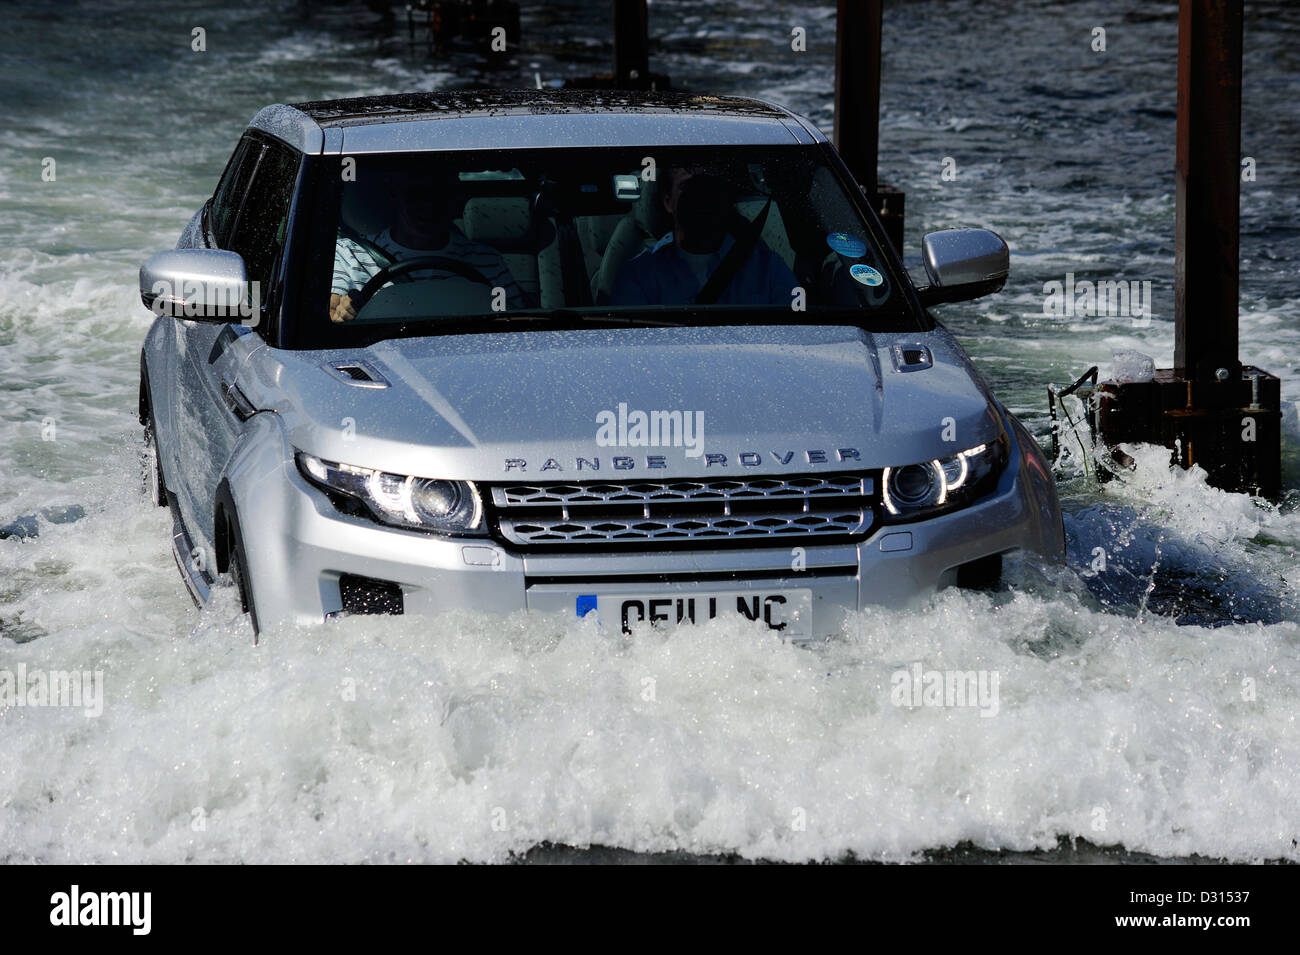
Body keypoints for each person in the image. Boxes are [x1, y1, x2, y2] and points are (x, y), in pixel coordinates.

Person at [329, 169, 525, 322]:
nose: (429, 206)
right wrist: (343, 314)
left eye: (440, 194)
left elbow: (514, 322)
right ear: (395, 193)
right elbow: (330, 312)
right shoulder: (349, 254)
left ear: (454, 199)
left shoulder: (487, 260)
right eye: (416, 194)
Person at [609, 165, 796, 307]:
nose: (702, 198)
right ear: (668, 202)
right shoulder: (639, 276)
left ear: (726, 198)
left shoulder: (767, 269)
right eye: (690, 187)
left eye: (711, 186)